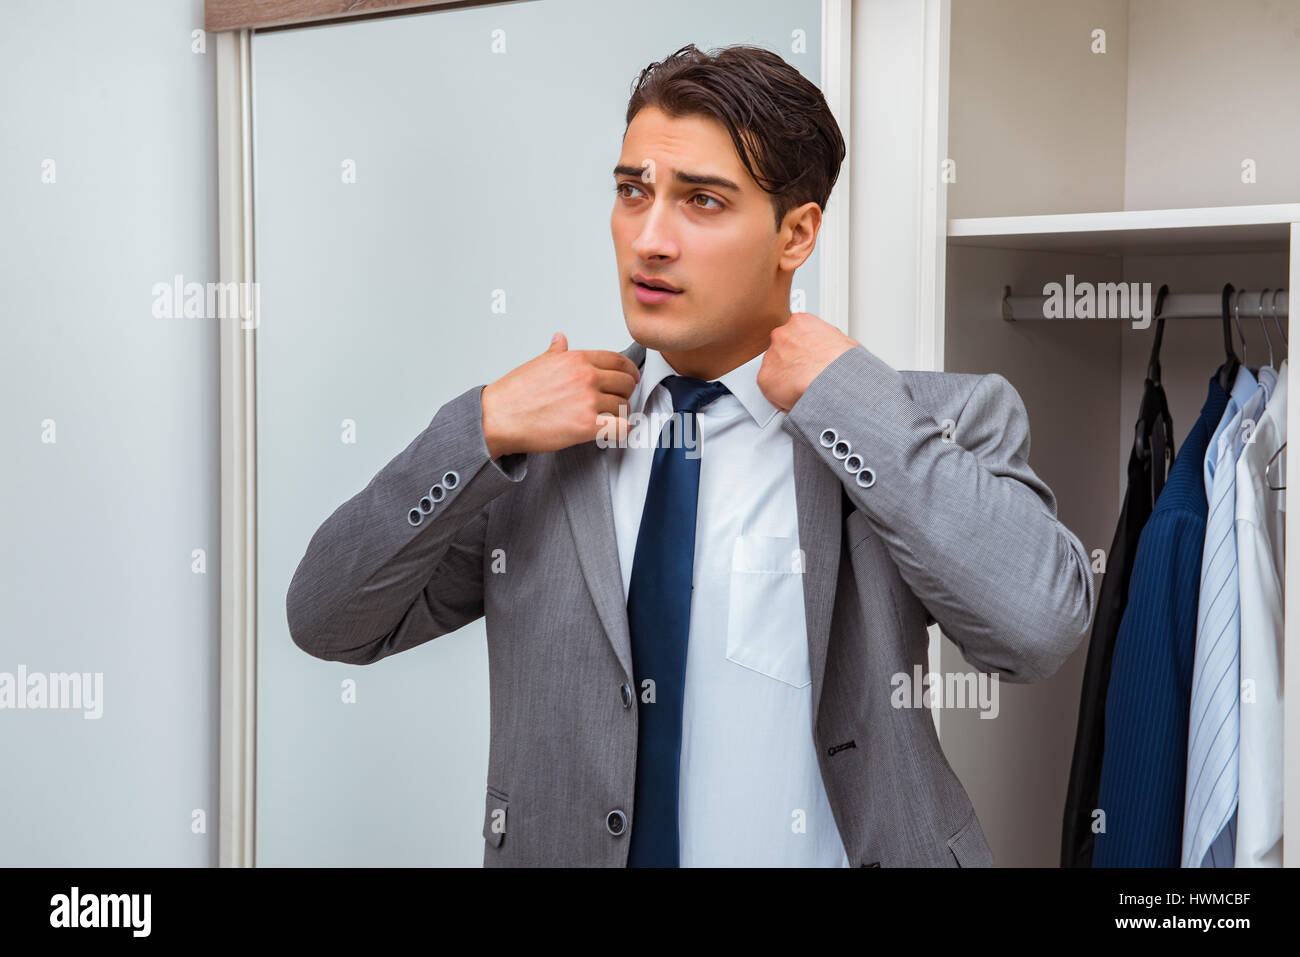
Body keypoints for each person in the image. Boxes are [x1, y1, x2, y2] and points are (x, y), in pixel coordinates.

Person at [286, 42, 1095, 867]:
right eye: (633, 191)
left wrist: (854, 399)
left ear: (796, 234)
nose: (650, 239)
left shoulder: (931, 421)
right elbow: (328, 616)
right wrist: (481, 427)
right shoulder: (538, 446)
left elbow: (1035, 630)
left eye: (703, 201)